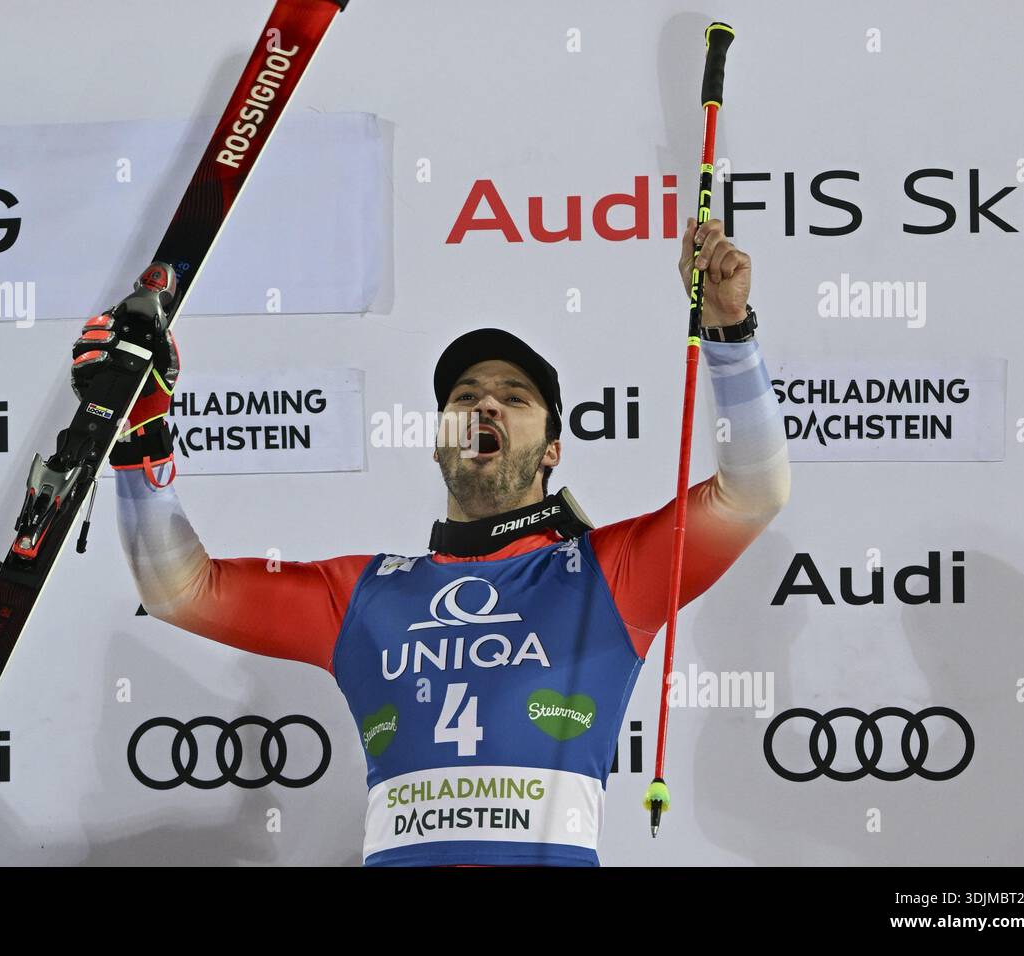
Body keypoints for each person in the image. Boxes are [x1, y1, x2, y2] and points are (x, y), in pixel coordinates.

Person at [72, 217, 790, 866]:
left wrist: (728, 333)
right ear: (439, 441)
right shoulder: (366, 593)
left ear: (553, 451)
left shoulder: (606, 574)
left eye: (514, 397)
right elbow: (177, 589)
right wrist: (142, 436)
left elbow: (752, 492)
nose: (483, 403)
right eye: (463, 396)